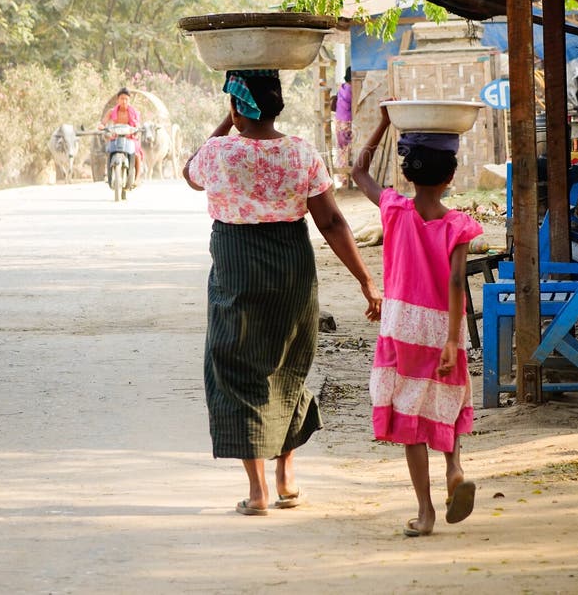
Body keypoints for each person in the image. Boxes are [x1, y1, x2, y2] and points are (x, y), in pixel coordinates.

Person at [183, 69, 382, 517]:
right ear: (277, 105)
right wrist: (366, 280)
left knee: (235, 368)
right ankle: (287, 478)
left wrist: (225, 122)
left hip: (238, 267)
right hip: (292, 266)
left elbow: (189, 173)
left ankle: (257, 492)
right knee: (288, 365)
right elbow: (331, 222)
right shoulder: (301, 153)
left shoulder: (218, 152)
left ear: (237, 108)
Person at [352, 105, 482, 537]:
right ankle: (455, 468)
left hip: (402, 325)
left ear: (408, 175)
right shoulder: (458, 224)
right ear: (451, 176)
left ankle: (425, 513)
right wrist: (450, 339)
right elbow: (458, 281)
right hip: (445, 326)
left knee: (410, 419)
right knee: (446, 401)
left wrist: (386, 124)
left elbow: (358, 171)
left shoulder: (394, 208)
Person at [99, 87, 143, 184]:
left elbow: (137, 124)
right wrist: (101, 126)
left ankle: (137, 179)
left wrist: (137, 128)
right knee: (108, 151)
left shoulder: (134, 112)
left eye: (126, 99)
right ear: (118, 100)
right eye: (122, 99)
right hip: (116, 137)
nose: (124, 101)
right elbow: (104, 122)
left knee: (137, 155)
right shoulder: (111, 111)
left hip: (130, 138)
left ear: (129, 100)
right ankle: (108, 173)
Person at [331, 66, 353, 172]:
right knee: (347, 149)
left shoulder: (343, 87)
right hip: (347, 121)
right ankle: (345, 175)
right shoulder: (351, 89)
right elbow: (349, 106)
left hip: (339, 121)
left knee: (341, 148)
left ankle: (342, 175)